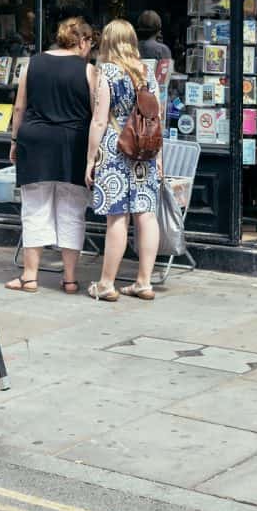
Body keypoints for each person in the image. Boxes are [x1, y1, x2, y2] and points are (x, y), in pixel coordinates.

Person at [6, 16, 94, 294]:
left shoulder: (32, 64)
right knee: (72, 210)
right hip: (73, 144)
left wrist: (14, 140)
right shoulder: (88, 70)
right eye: (90, 43)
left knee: (34, 208)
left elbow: (19, 107)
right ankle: (69, 279)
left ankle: (30, 277)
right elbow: (96, 114)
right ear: (82, 41)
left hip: (36, 141)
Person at [86, 19, 161, 301]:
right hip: (144, 149)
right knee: (146, 214)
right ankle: (144, 282)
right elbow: (156, 117)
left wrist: (90, 159)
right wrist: (160, 158)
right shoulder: (147, 72)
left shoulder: (107, 72)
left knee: (117, 216)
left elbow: (99, 120)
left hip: (115, 148)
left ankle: (107, 284)